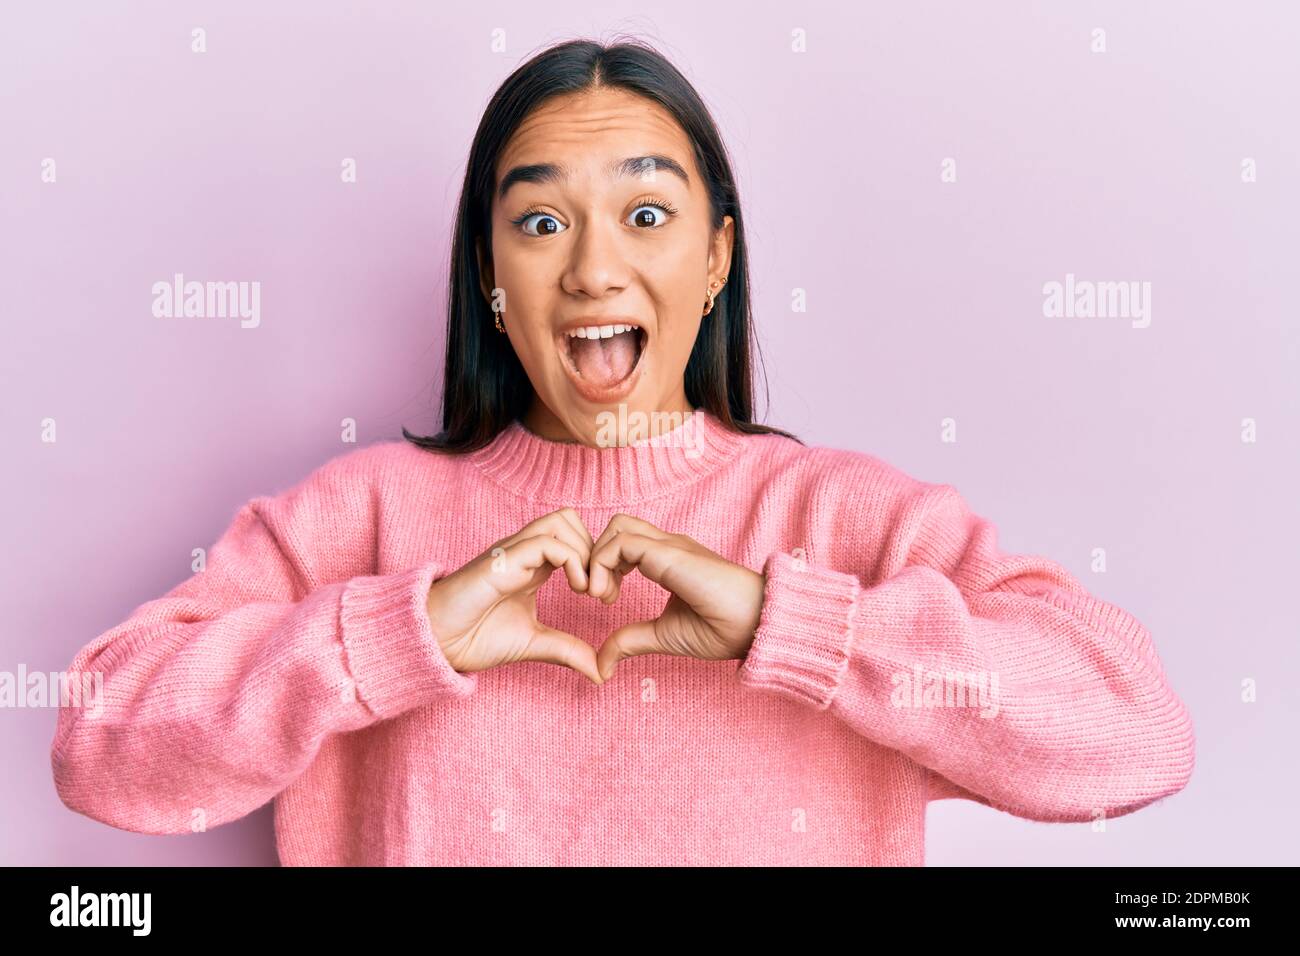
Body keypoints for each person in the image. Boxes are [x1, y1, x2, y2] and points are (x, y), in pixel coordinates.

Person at [51, 38, 1194, 866]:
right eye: (540, 222)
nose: (593, 268)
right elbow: (98, 743)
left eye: (646, 215)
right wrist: (402, 634)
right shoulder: (357, 518)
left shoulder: (853, 520)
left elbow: (1136, 728)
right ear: (491, 280)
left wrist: (790, 623)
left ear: (714, 259)